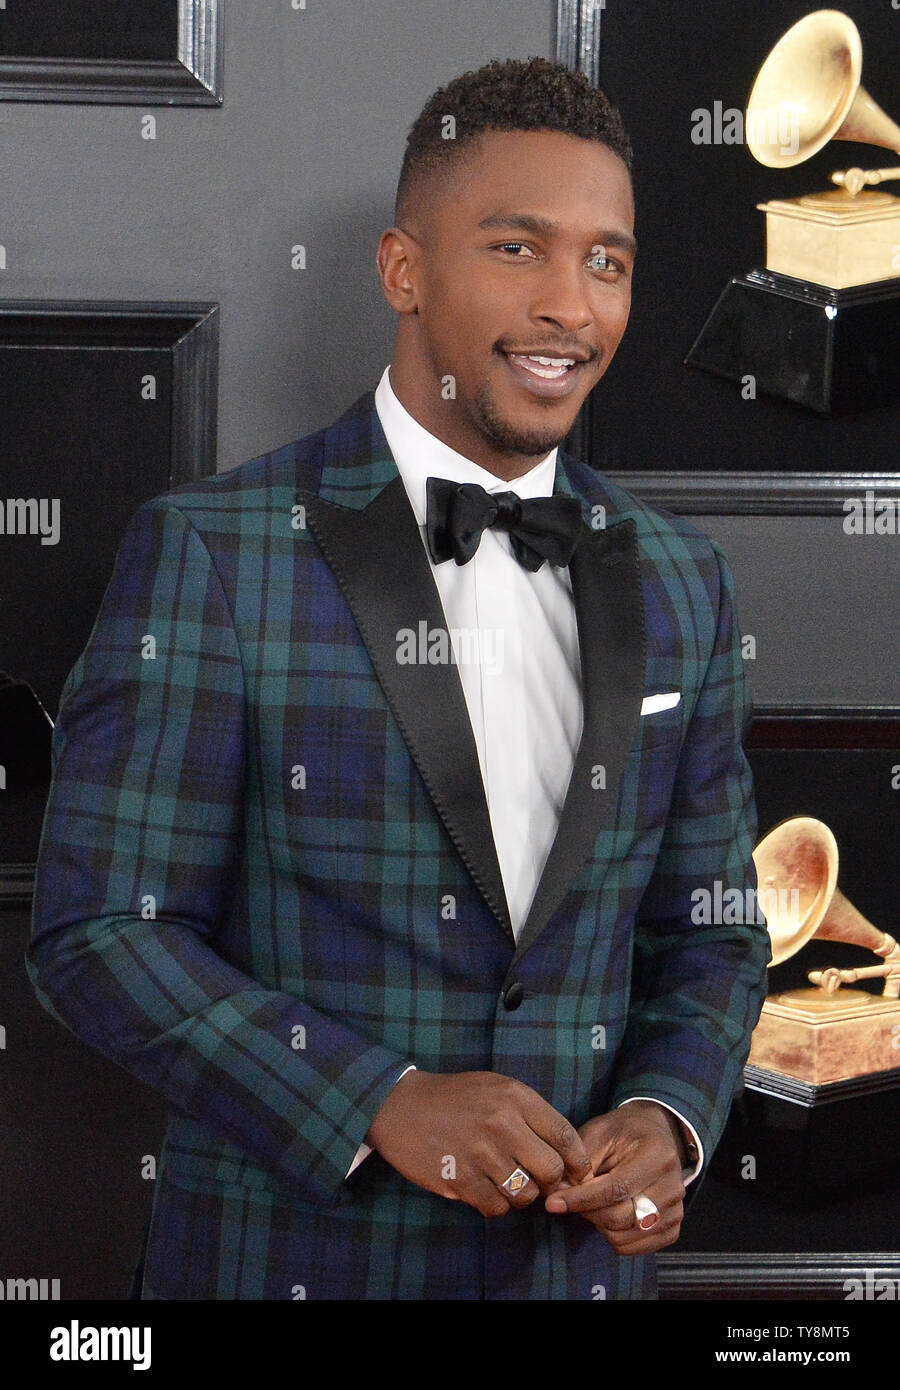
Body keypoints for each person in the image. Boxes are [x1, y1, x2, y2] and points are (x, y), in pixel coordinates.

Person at [26, 56, 770, 1300]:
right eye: (519, 248)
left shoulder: (683, 578)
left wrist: (670, 1115)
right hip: (291, 1265)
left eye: (608, 261)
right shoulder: (213, 551)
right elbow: (99, 932)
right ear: (403, 271)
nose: (571, 309)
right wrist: (379, 1100)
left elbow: (716, 934)